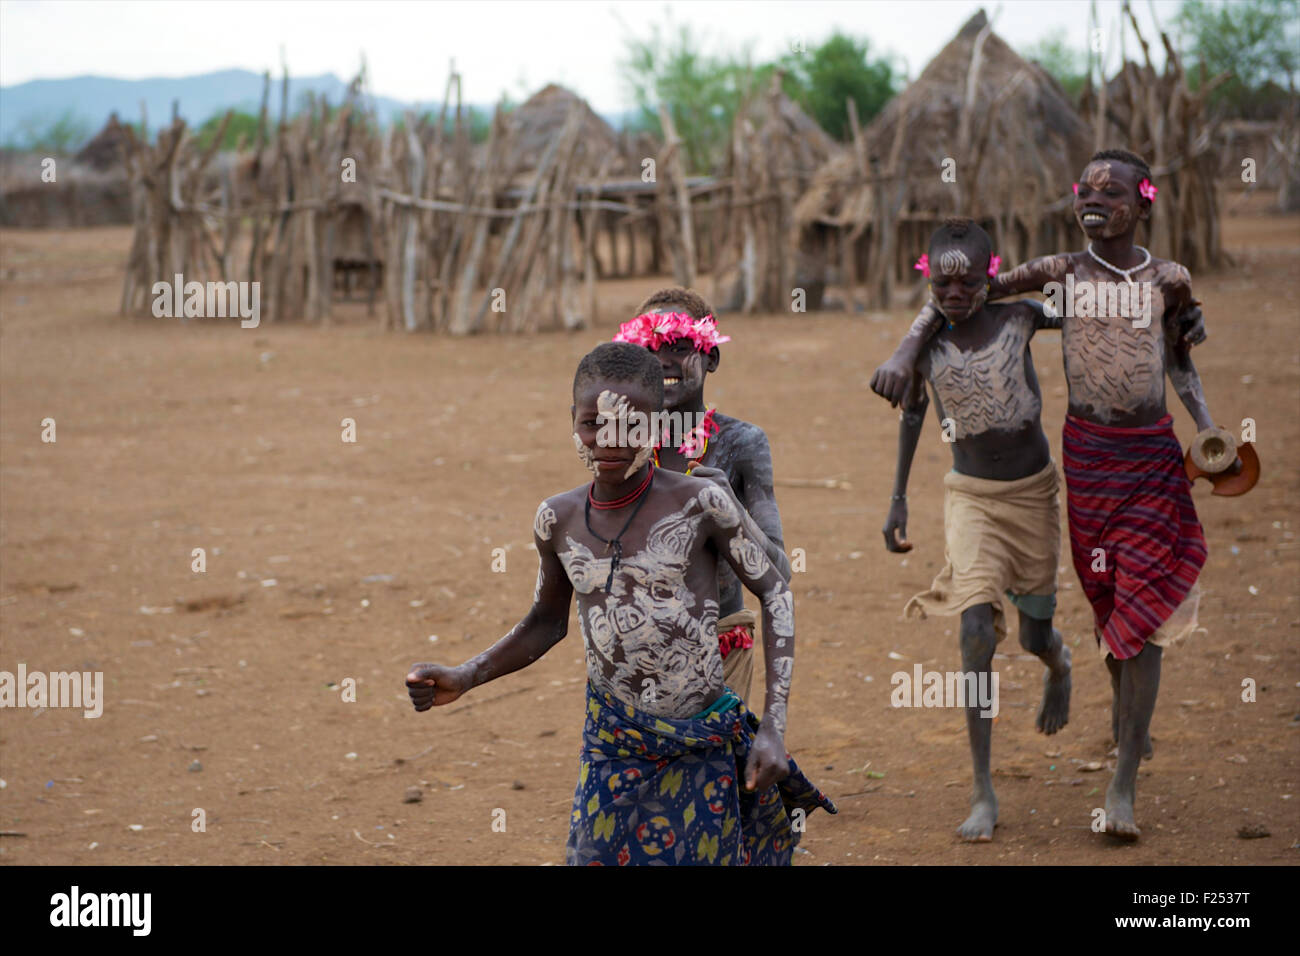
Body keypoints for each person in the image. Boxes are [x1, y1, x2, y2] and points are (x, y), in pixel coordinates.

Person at [870, 150, 1236, 841]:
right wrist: (905, 347)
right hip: (1076, 466)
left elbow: (1178, 351)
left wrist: (1209, 421)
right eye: (1085, 189)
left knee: (1142, 614)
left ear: (1143, 201)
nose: (1094, 199)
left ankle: (1123, 779)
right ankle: (997, 777)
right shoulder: (1055, 274)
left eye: (1111, 190)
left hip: (1144, 460)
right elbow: (965, 288)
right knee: (1029, 622)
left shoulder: (1165, 279)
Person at [406, 342, 835, 865]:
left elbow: (775, 590)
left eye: (631, 426)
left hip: (699, 740)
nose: (609, 440)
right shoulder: (556, 520)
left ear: (657, 428)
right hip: (613, 741)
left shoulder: (700, 504)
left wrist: (773, 726)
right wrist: (466, 675)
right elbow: (546, 623)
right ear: (572, 421)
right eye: (593, 424)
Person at [883, 217, 1071, 842]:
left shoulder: (1020, 318)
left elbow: (1083, 312)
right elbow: (912, 417)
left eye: (968, 282)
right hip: (970, 497)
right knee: (974, 631)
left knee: (1033, 632)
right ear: (928, 278)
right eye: (943, 283)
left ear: (990, 275)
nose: (955, 294)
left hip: (1033, 495)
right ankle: (983, 789)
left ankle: (1058, 663)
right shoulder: (928, 344)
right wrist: (899, 498)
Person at [613, 288, 791, 703]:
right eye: (650, 348)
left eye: (678, 345)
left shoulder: (740, 444)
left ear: (711, 356)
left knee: (717, 769)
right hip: (636, 654)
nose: (663, 361)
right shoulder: (620, 446)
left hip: (721, 651)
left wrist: (730, 507)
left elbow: (779, 572)